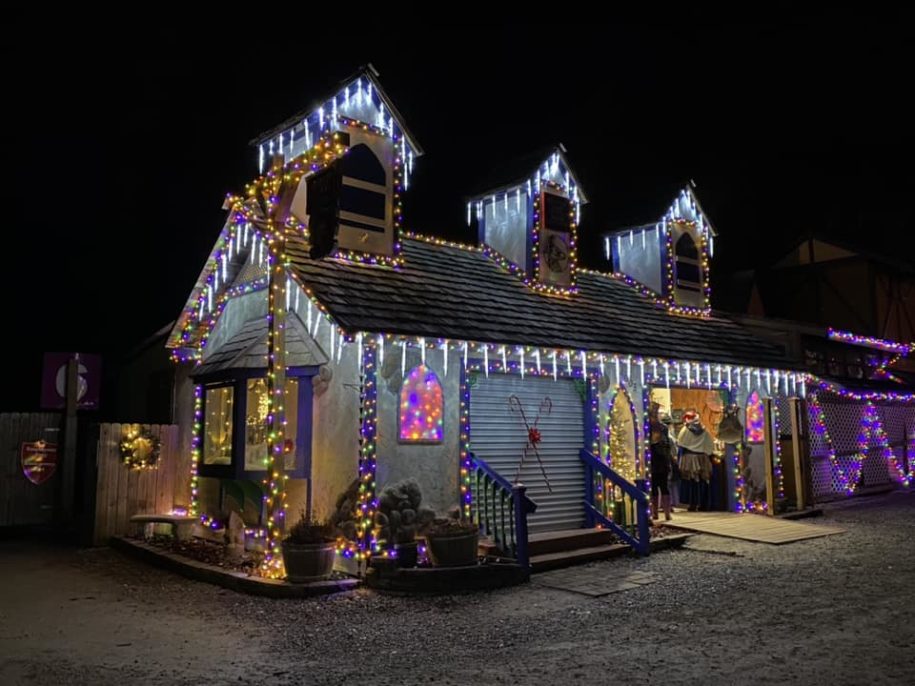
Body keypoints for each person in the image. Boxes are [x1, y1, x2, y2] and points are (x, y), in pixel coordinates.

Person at [676, 410, 715, 511]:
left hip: (689, 458)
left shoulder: (685, 430)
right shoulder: (704, 430)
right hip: (702, 458)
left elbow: (681, 443)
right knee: (703, 481)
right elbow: (710, 445)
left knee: (691, 481)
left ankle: (692, 504)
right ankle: (704, 504)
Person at [649, 404, 673, 521]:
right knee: (655, 488)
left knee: (663, 487)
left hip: (661, 460)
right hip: (654, 461)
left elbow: (667, 444)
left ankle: (666, 513)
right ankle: (656, 513)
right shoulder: (648, 428)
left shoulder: (663, 428)